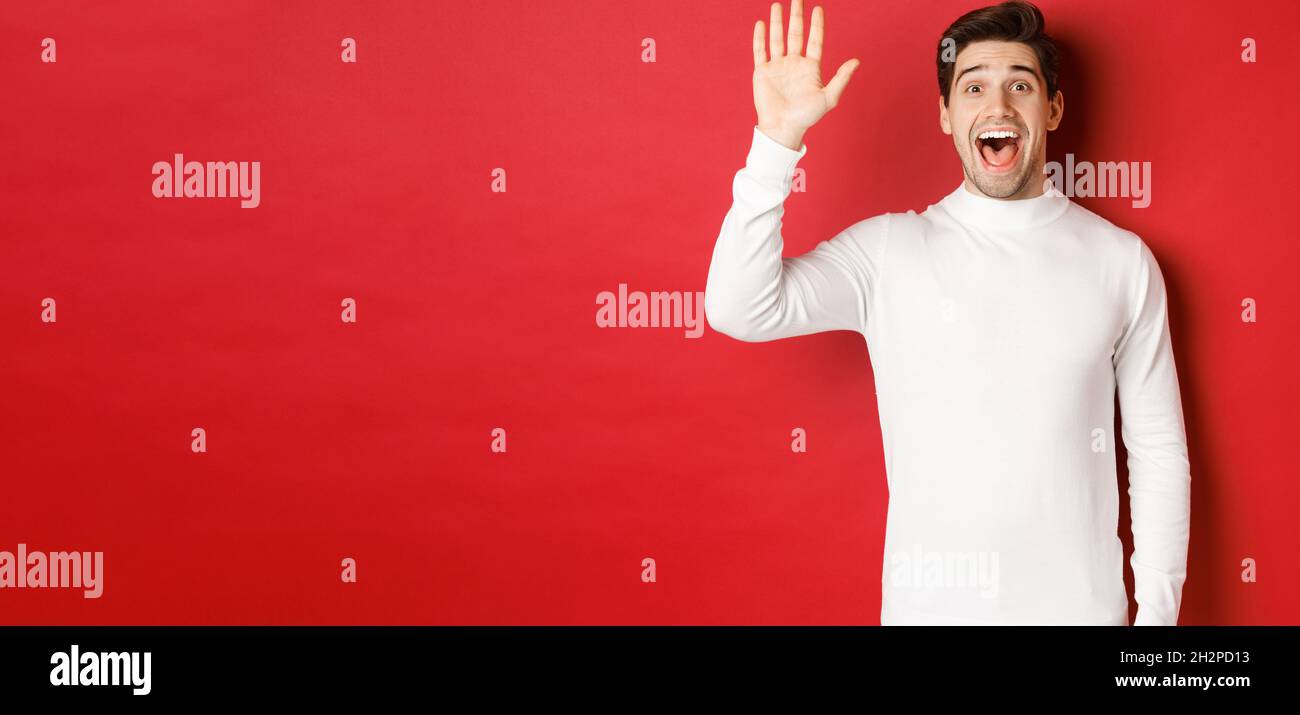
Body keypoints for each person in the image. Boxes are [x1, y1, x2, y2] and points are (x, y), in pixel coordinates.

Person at [704, 0, 1191, 625]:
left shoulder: (1122, 262)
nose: (998, 107)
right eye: (974, 87)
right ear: (946, 113)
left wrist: (1154, 632)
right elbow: (739, 307)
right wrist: (776, 143)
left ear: (1053, 108)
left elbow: (1156, 451)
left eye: (1021, 84)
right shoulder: (886, 251)